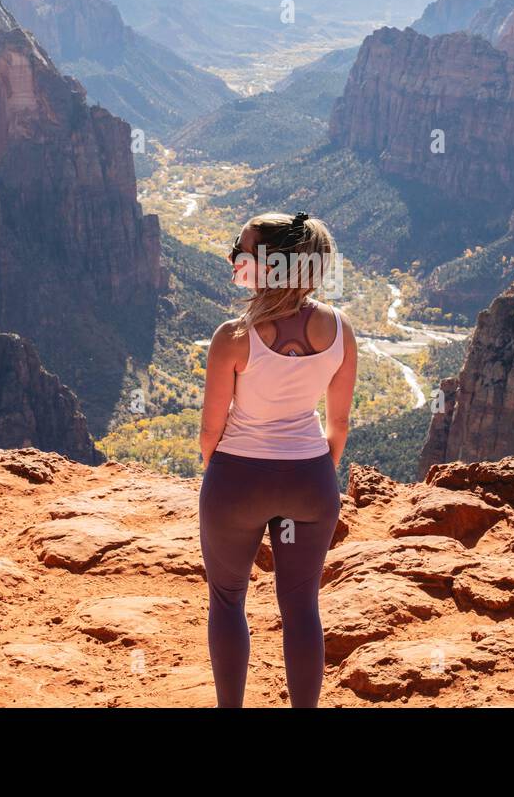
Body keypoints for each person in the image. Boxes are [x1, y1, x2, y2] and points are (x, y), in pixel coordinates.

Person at [198, 210, 358, 707]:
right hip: (310, 481)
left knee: (227, 600)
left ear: (272, 266)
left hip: (236, 481)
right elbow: (340, 424)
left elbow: (210, 429)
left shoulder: (235, 336)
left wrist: (220, 475)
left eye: (241, 250)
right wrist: (316, 474)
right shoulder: (340, 331)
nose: (232, 257)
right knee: (301, 605)